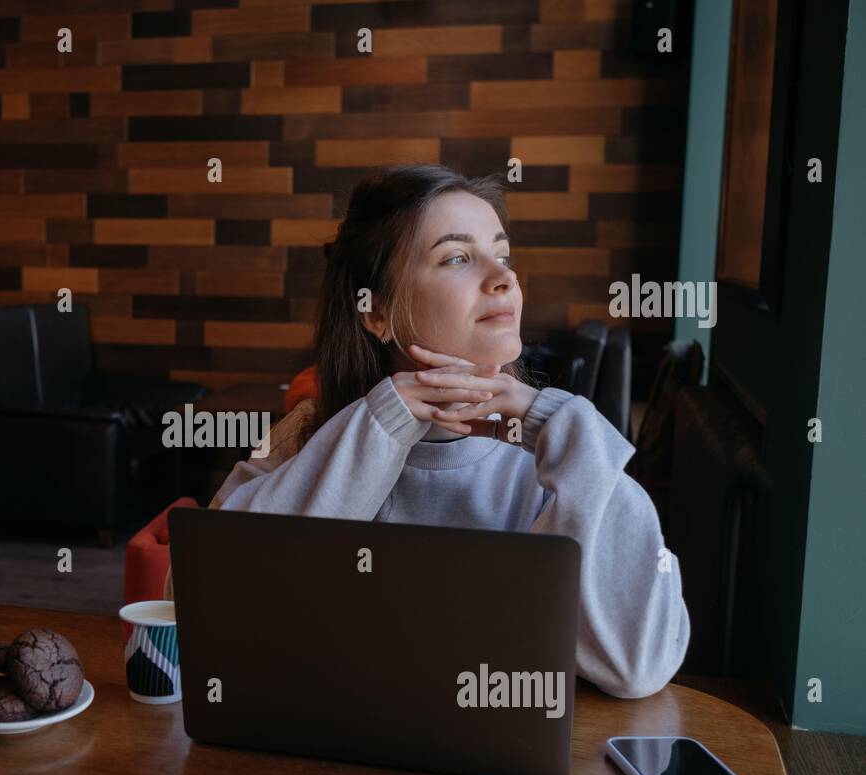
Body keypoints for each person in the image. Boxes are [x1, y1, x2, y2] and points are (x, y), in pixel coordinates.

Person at [162, 164, 690, 700]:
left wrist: (562, 426)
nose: (503, 277)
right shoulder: (306, 432)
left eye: (502, 255)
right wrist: (380, 424)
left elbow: (637, 664)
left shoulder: (558, 455)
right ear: (378, 312)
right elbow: (190, 605)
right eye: (457, 257)